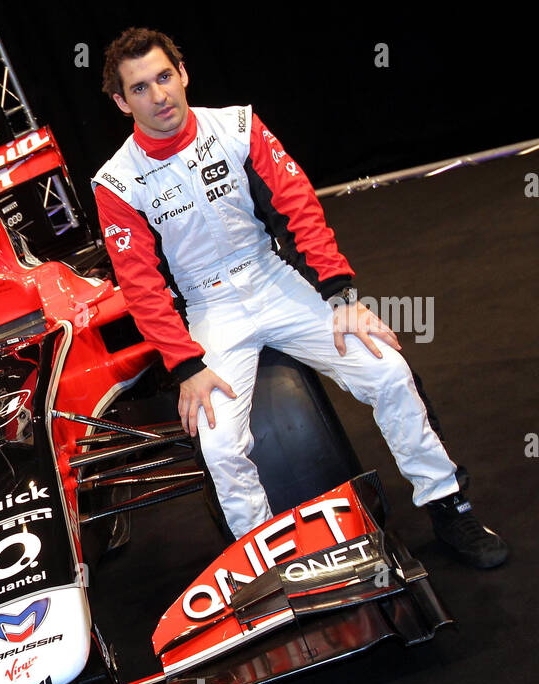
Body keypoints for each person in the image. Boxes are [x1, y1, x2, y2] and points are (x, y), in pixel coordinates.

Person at [92, 28, 507, 568]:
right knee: (219, 445)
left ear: (183, 71)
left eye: (164, 76)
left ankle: (449, 505)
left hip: (275, 281)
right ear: (123, 102)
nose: (160, 95)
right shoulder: (118, 182)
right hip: (210, 309)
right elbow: (140, 284)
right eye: (141, 88)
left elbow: (299, 207)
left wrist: (342, 295)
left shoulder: (238, 126)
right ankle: (260, 567)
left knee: (387, 370)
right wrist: (185, 363)